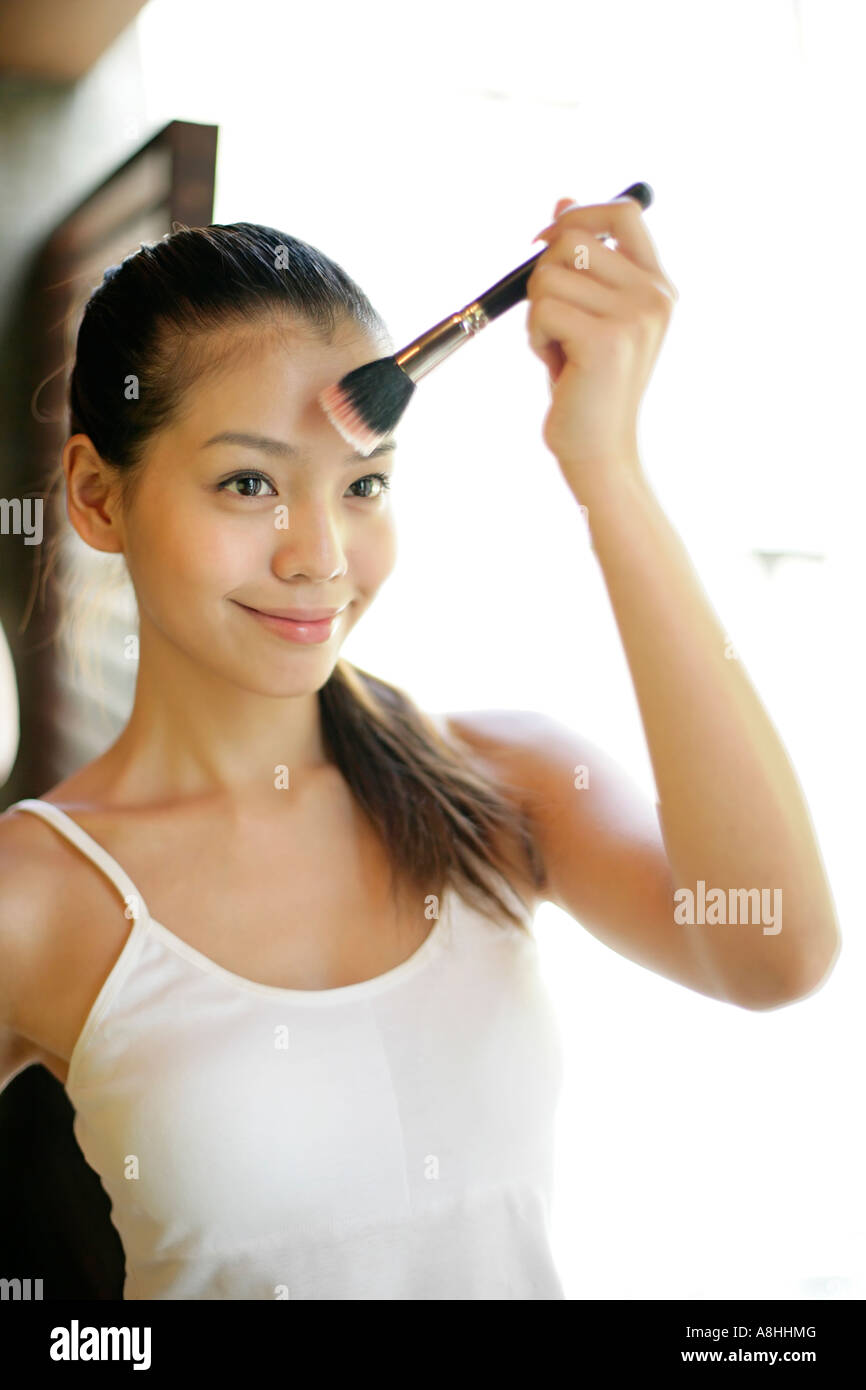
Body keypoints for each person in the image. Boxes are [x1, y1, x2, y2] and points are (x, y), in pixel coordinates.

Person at [0, 204, 841, 1300]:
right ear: (98, 495)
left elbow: (773, 952)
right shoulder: (35, 896)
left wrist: (606, 467)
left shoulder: (503, 789)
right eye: (248, 482)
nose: (319, 555)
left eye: (363, 484)